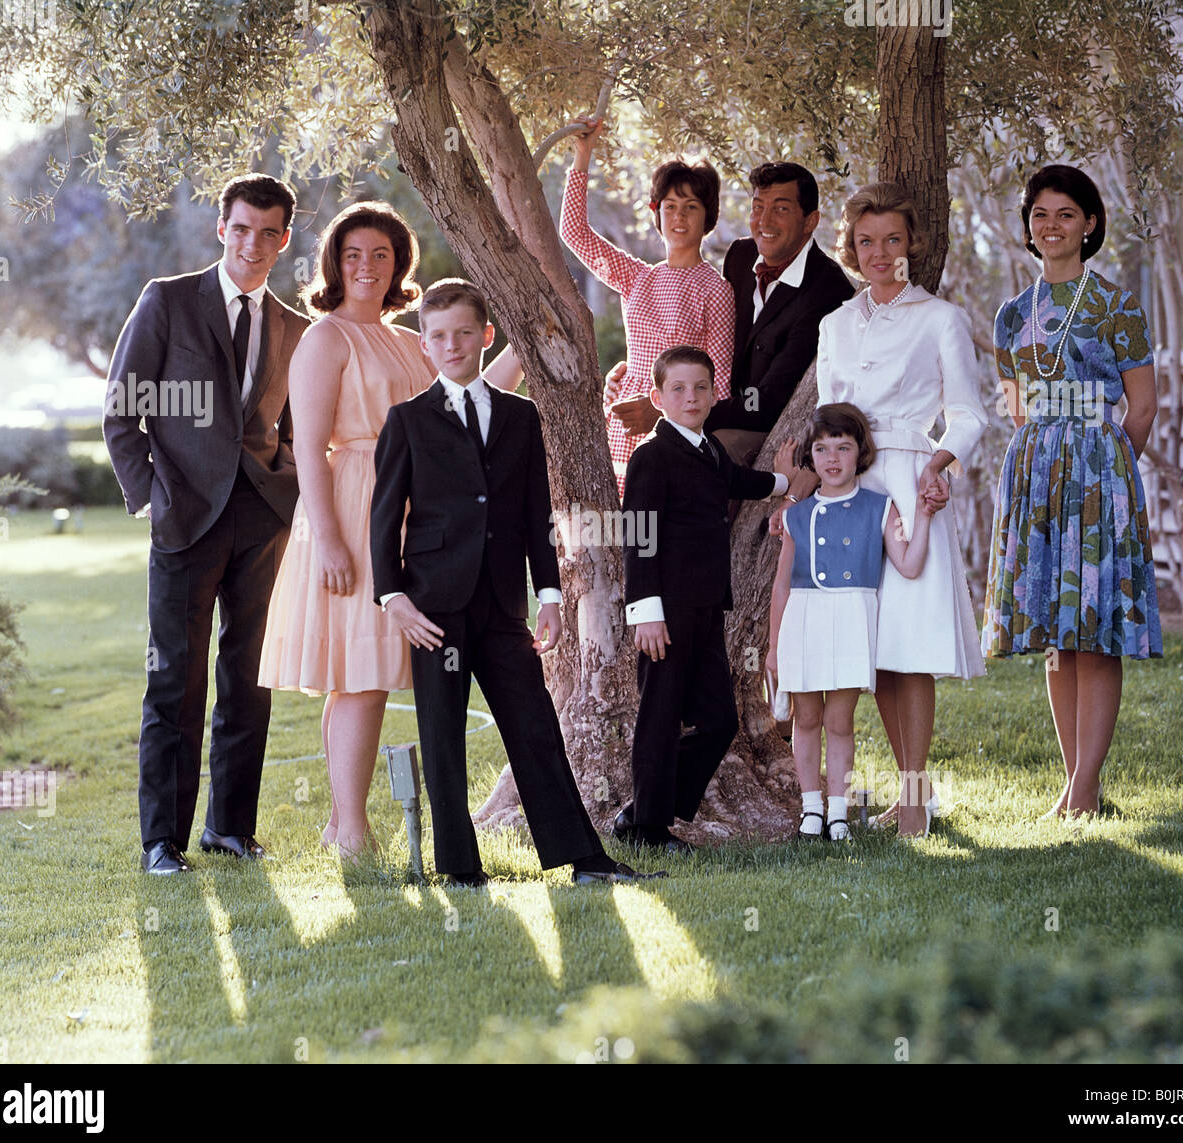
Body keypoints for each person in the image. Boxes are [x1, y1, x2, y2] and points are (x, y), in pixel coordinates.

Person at [369, 279, 655, 886]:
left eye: (463, 333)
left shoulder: (521, 417)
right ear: (425, 345)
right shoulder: (408, 421)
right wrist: (392, 597)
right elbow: (384, 517)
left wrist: (549, 595)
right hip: (433, 609)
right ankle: (460, 869)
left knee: (534, 725)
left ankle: (584, 858)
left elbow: (534, 513)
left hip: (503, 607)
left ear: (486, 336)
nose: (452, 345)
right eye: (439, 336)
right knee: (442, 736)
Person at [104, 174, 308, 874]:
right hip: (185, 516)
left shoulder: (292, 326)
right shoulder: (167, 301)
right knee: (176, 679)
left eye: (269, 231)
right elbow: (122, 410)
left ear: (285, 239)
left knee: (251, 675)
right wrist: (152, 498)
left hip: (262, 518)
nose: (254, 243)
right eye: (242, 228)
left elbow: (294, 427)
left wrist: (288, 483)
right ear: (222, 228)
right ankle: (161, 840)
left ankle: (231, 827)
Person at [982, 164, 1161, 819]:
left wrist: (1107, 473)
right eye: (1039, 214)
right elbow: (1017, 407)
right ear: (1029, 227)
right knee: (1057, 631)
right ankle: (1075, 782)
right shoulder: (1011, 315)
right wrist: (1048, 466)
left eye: (1065, 213)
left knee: (1093, 628)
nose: (1051, 225)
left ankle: (1085, 789)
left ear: (1089, 223)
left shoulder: (1118, 305)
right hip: (1036, 474)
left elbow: (1141, 408)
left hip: (1098, 471)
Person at [813, 183, 988, 836]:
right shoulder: (835, 325)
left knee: (911, 645)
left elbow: (969, 411)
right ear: (850, 246)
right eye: (866, 241)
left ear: (910, 241)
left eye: (891, 239)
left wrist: (940, 466)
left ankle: (915, 799)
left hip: (913, 479)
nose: (879, 252)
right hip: (851, 487)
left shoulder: (939, 318)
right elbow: (825, 418)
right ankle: (911, 793)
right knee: (878, 646)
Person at [256, 203, 430, 858]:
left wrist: (522, 350)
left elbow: (456, 408)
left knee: (367, 668)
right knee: (360, 668)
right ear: (335, 262)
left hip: (405, 507)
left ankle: (340, 824)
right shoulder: (325, 338)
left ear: (398, 264)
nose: (366, 266)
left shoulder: (411, 340)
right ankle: (353, 828)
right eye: (353, 254)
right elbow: (304, 446)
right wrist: (327, 536)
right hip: (351, 506)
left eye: (380, 255)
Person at [617, 345, 798, 851]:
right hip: (665, 611)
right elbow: (639, 536)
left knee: (719, 721)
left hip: (706, 607)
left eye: (700, 387)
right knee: (660, 714)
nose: (690, 397)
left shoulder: (710, 449)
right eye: (677, 389)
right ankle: (650, 831)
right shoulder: (651, 456)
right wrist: (645, 612)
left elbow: (741, 481)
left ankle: (642, 811)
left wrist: (787, 480)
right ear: (657, 397)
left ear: (715, 394)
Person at [766, 404, 936, 841]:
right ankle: (810, 810)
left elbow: (910, 564)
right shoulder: (796, 514)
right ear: (811, 457)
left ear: (860, 452)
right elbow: (782, 587)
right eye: (821, 449)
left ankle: (838, 812)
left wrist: (925, 514)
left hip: (850, 626)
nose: (833, 458)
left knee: (839, 720)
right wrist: (772, 648)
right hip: (803, 625)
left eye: (843, 447)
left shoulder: (879, 508)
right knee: (806, 718)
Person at [560, 117, 735, 494]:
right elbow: (574, 233)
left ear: (708, 216)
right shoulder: (637, 277)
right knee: (617, 532)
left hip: (678, 431)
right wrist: (583, 154)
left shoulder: (716, 290)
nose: (679, 216)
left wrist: (660, 411)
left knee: (657, 535)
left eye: (690, 206)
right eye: (670, 206)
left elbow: (719, 385)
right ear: (657, 213)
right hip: (622, 423)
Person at [705, 162, 854, 468]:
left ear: (810, 221)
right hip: (722, 410)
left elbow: (768, 402)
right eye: (757, 207)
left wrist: (695, 411)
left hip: (773, 431)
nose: (764, 221)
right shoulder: (740, 256)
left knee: (709, 452)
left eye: (781, 209)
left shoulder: (828, 290)